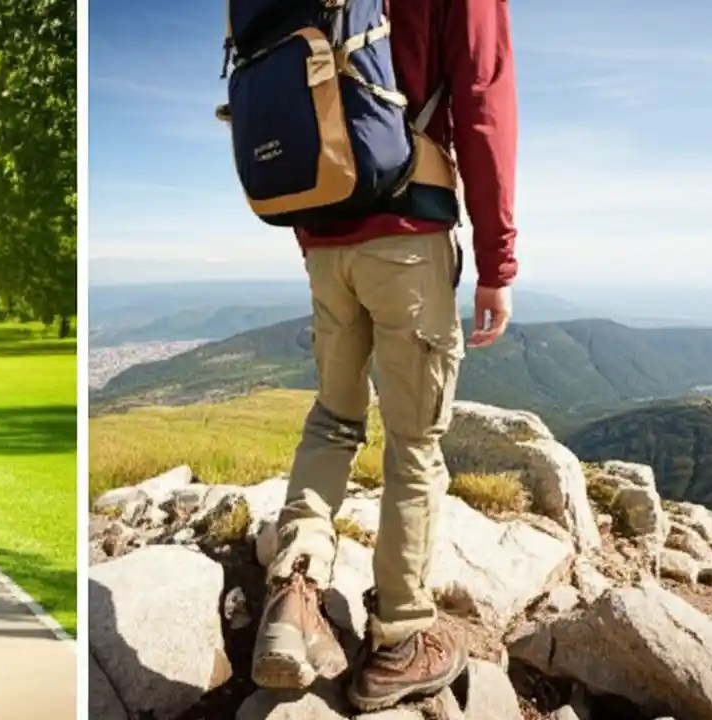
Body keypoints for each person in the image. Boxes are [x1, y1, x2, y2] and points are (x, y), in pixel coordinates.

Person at [250, 1, 518, 713]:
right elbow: (485, 106)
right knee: (414, 443)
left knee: (334, 419)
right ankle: (401, 638)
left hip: (323, 233)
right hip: (409, 230)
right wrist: (497, 263)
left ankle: (295, 596)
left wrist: (316, 229)